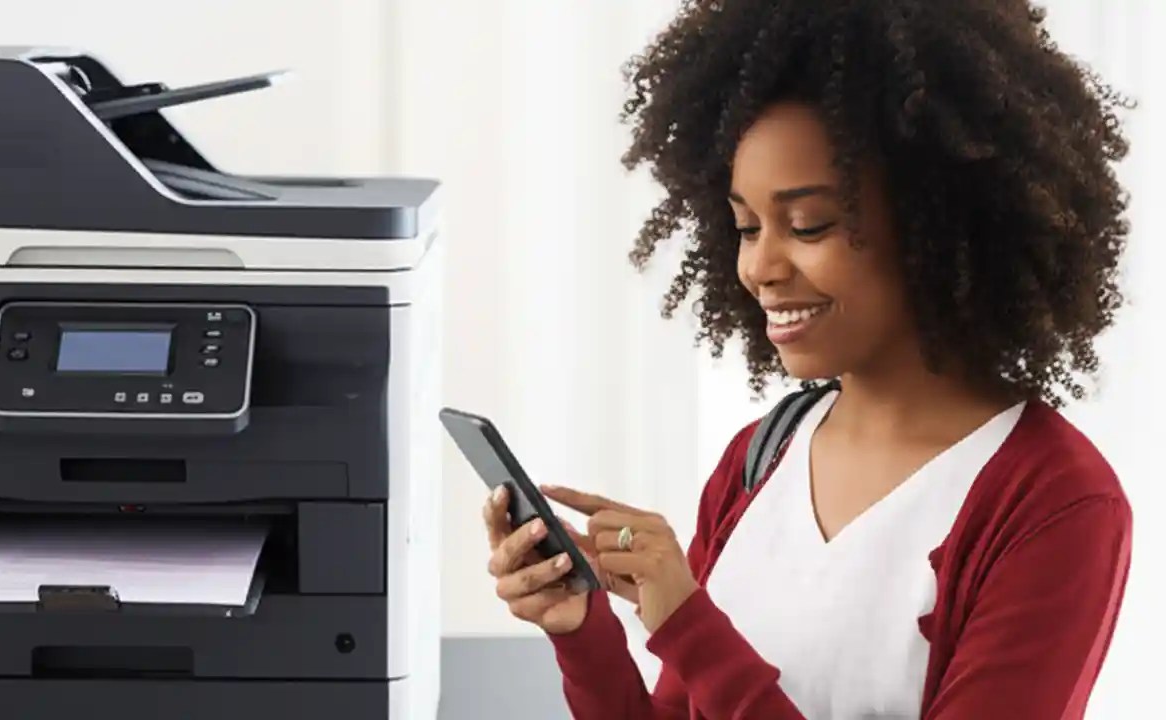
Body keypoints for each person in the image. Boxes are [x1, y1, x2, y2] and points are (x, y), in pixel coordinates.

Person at [481, 1, 1134, 718]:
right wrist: (583, 633)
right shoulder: (759, 460)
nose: (761, 265)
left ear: (934, 222)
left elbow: (702, 654)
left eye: (808, 225)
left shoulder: (1054, 504)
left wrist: (687, 625)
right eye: (745, 226)